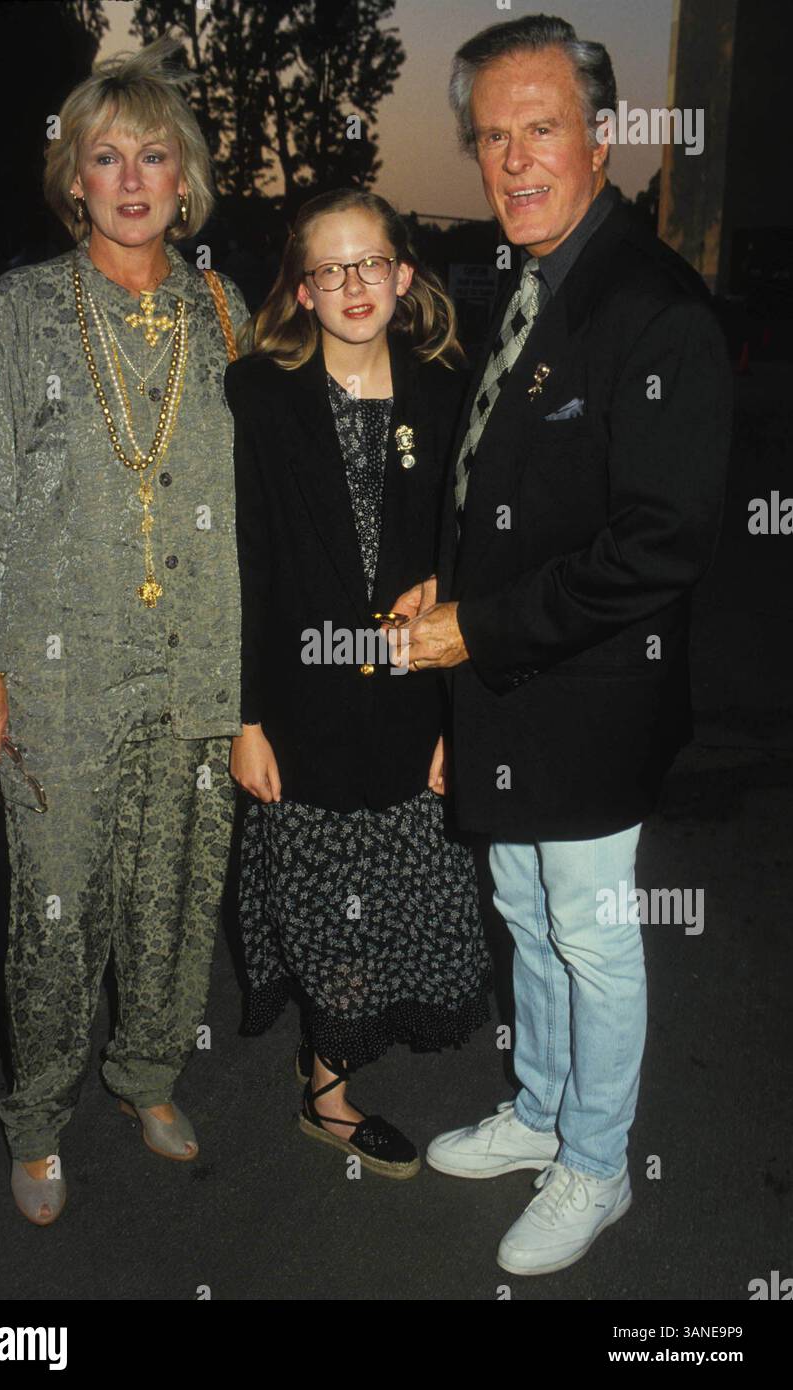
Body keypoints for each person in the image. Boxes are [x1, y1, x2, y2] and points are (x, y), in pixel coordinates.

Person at [389, 14, 731, 1270]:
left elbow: (657, 546)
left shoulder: (651, 305)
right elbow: (517, 474)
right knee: (525, 914)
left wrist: (471, 621)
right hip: (512, 679)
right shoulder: (534, 275)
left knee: (589, 931)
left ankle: (599, 1164)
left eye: (542, 130)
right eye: (492, 137)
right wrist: (458, 576)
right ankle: (540, 1113)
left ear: (600, 136)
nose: (514, 160)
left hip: (591, 691)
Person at [0, 36, 248, 1225]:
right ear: (73, 178)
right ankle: (37, 1114)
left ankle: (149, 1072)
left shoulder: (223, 308)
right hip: (57, 668)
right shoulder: (19, 312)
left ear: (184, 178)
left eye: (151, 155)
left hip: (200, 660)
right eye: (103, 156)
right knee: (57, 905)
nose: (128, 178)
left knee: (178, 894)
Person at [224, 189, 493, 1179]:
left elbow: (466, 556)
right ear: (302, 288)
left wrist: (452, 719)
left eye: (369, 263)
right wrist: (245, 718)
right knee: (329, 901)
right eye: (328, 269)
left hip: (410, 699)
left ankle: (326, 1054)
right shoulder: (258, 394)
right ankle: (327, 1099)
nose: (351, 285)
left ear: (404, 276)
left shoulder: (442, 387)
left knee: (385, 901)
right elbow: (248, 566)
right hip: (301, 704)